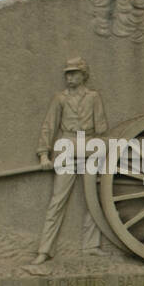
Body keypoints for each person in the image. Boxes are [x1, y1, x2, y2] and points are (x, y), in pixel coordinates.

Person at [32, 57, 106, 263]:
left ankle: (91, 246)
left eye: (74, 73)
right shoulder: (60, 99)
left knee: (94, 200)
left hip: (90, 146)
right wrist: (44, 154)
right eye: (67, 73)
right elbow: (49, 125)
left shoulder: (94, 97)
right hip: (66, 145)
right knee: (57, 202)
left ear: (84, 75)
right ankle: (45, 250)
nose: (69, 77)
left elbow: (101, 127)